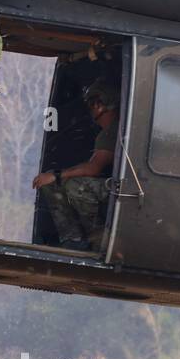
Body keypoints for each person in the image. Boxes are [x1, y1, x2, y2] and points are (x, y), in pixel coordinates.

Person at [32, 80, 120, 251]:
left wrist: (56, 175)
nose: (90, 109)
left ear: (100, 105)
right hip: (115, 188)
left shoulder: (113, 130)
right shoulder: (108, 131)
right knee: (53, 184)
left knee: (76, 185)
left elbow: (93, 168)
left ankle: (99, 239)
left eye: (92, 104)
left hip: (124, 191)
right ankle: (72, 239)